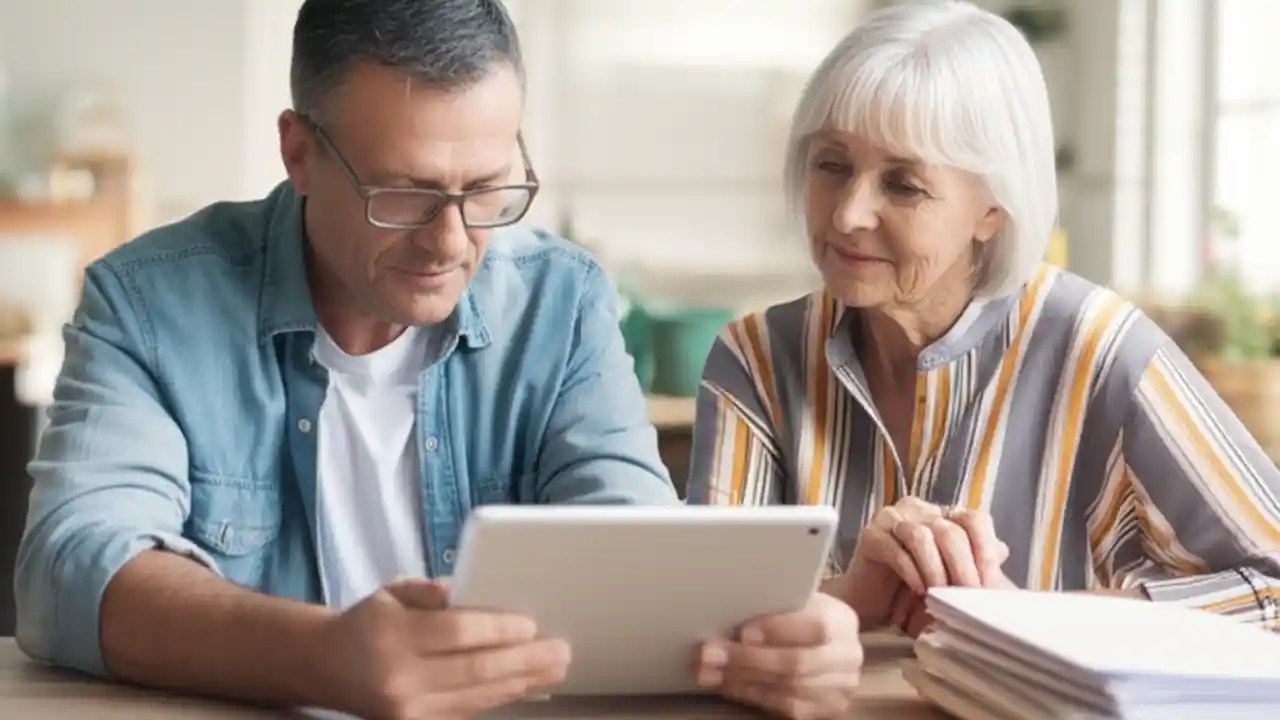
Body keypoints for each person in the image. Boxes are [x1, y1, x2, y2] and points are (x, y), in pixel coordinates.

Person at [17, 1, 864, 718]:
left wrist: (793, 635)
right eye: (407, 194)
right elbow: (68, 572)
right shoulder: (150, 303)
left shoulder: (562, 305)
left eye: (489, 188)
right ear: (299, 152)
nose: (453, 241)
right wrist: (325, 658)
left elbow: (633, 550)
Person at [687, 0, 1280, 645]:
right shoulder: (755, 358)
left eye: (904, 184)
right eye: (833, 165)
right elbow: (696, 618)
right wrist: (849, 597)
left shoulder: (1101, 350)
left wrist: (1022, 615)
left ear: (992, 209)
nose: (849, 213)